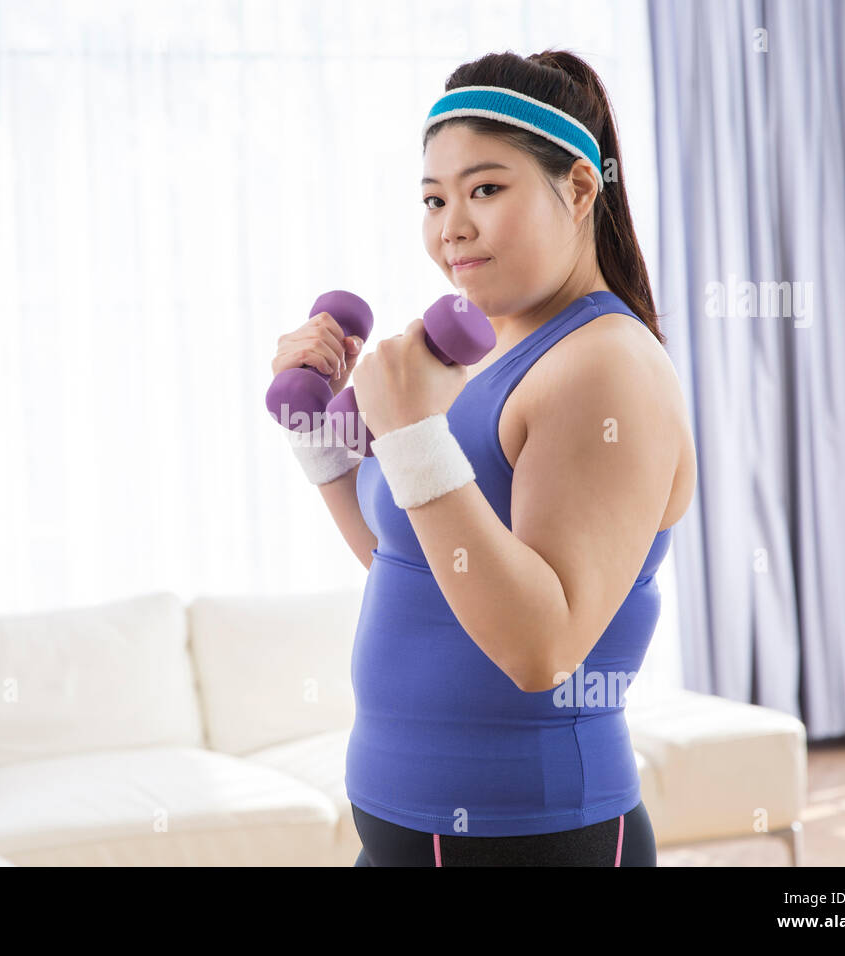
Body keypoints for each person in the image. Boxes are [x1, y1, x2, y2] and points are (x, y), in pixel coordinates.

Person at [273, 49, 696, 866]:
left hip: (532, 836)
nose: (451, 227)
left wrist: (410, 436)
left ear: (581, 189)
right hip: (401, 827)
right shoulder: (484, 353)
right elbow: (420, 569)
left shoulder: (605, 365)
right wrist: (321, 447)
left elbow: (543, 651)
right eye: (434, 199)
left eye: (486, 190)